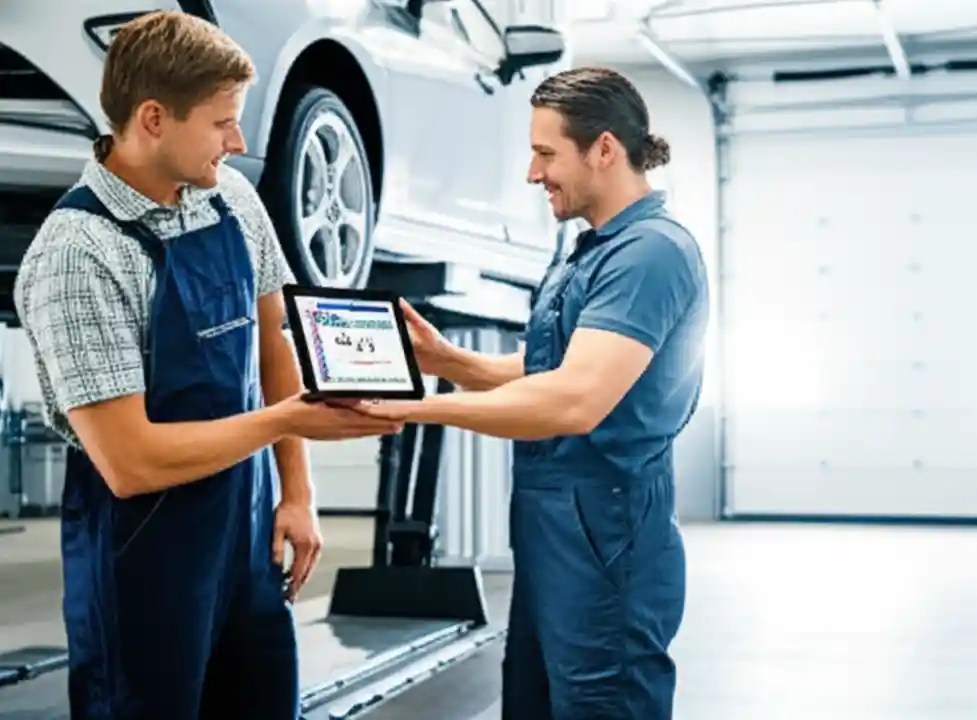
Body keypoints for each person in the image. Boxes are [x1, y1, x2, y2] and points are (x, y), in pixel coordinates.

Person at [13, 12, 401, 719]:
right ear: (154, 119)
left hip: (245, 542)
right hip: (140, 559)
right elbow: (131, 461)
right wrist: (285, 422)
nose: (241, 141)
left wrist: (297, 492)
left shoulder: (233, 199)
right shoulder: (78, 255)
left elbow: (273, 340)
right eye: (223, 122)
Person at [352, 66, 709, 719]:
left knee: (602, 701)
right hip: (557, 534)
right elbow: (548, 368)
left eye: (546, 154)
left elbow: (573, 401)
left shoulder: (648, 254)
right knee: (537, 700)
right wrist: (446, 359)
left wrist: (416, 408)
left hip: (607, 536)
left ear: (604, 148)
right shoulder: (592, 250)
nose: (532, 173)